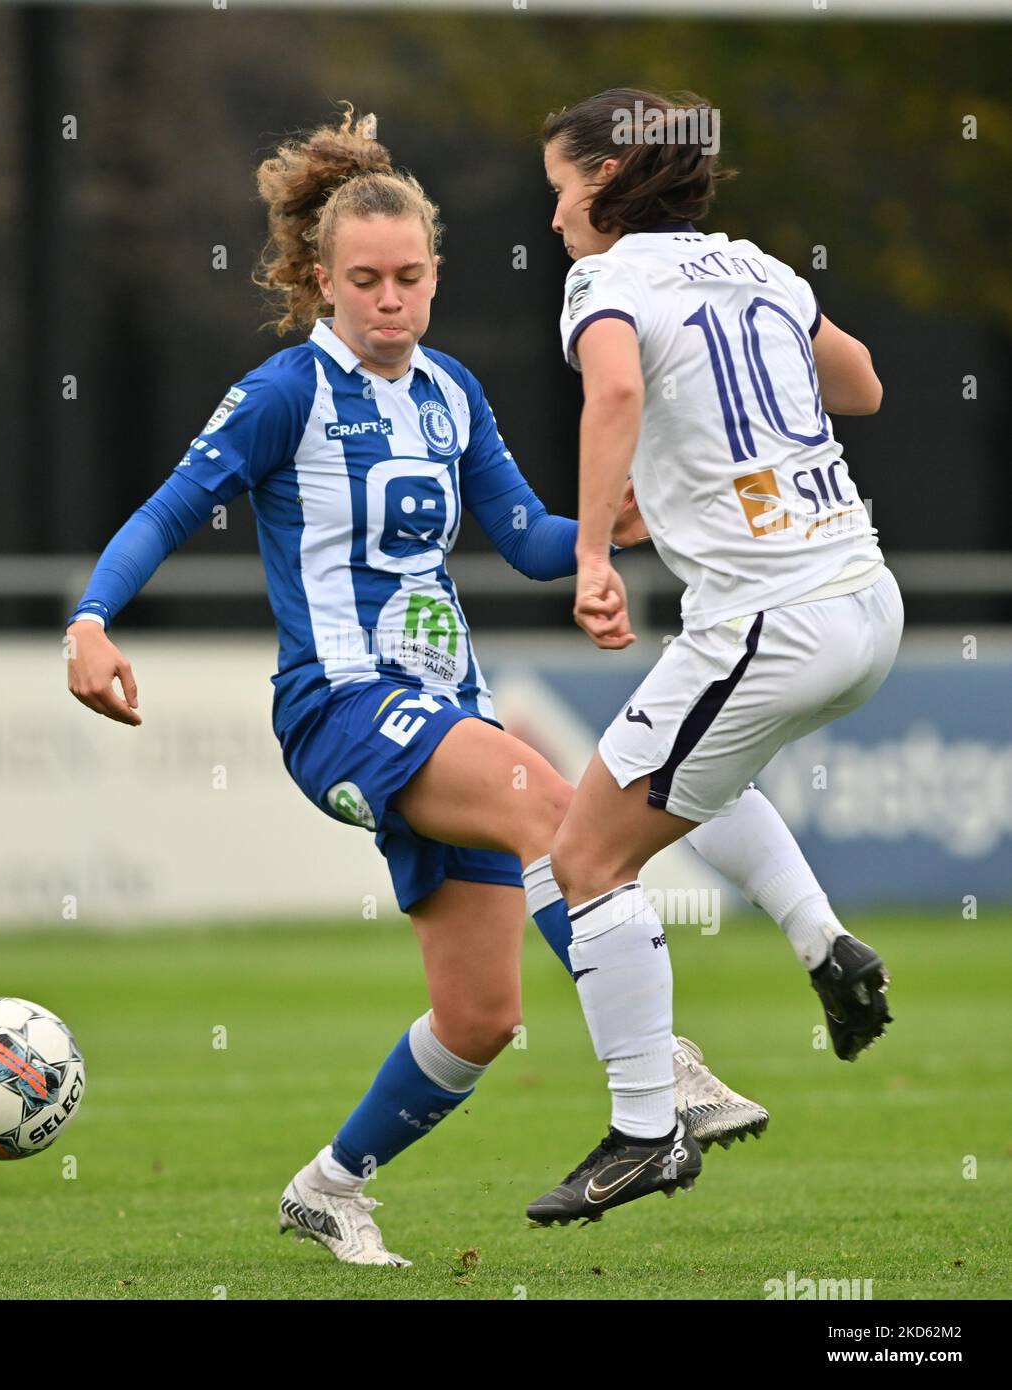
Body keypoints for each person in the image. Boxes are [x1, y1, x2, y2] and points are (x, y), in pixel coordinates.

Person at [65, 107, 840, 1267]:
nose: (389, 299)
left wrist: (602, 530)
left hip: (443, 712)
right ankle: (657, 1077)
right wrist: (88, 619)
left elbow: (523, 533)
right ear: (320, 281)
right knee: (554, 802)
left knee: (481, 1017)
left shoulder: (450, 392)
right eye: (364, 280)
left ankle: (329, 1184)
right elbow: (170, 506)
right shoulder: (285, 392)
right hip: (339, 708)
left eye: (409, 277)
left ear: (434, 276)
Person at [527, 89, 902, 1227]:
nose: (550, 220)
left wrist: (592, 548)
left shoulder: (605, 281)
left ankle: (646, 1131)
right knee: (678, 780)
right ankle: (821, 941)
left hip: (766, 622)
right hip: (864, 604)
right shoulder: (757, 269)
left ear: (601, 182)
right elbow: (862, 385)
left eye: (556, 190)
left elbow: (619, 389)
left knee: (578, 862)